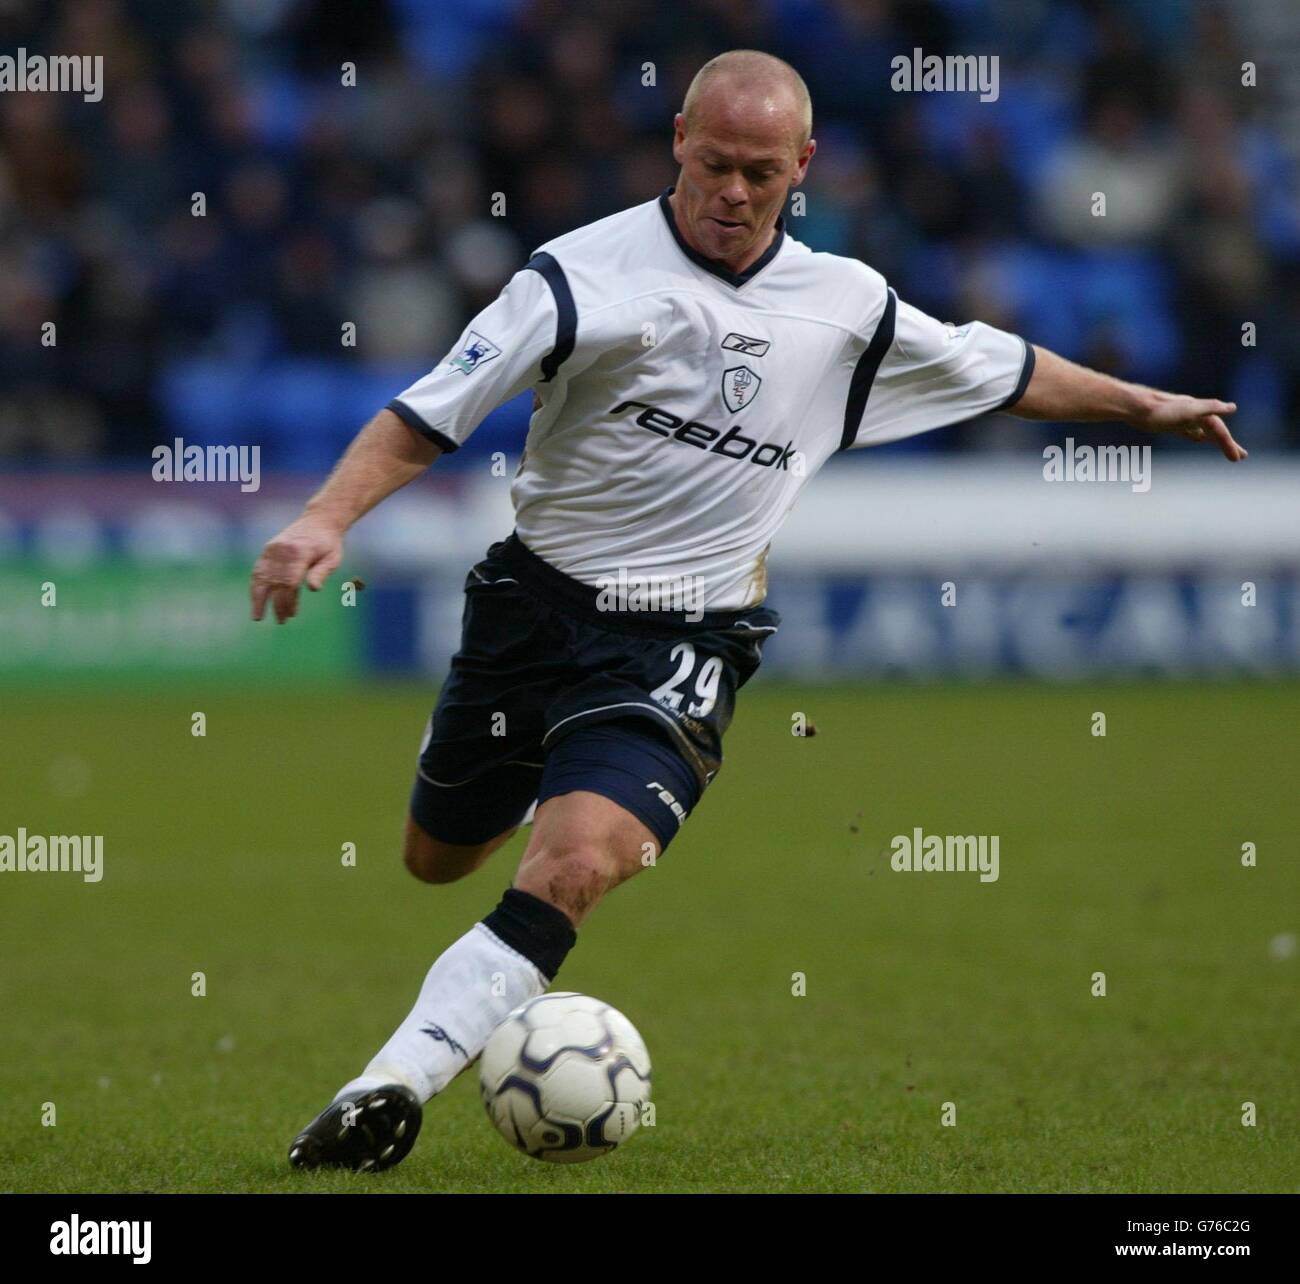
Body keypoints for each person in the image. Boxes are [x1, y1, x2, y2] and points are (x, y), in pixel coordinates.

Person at [250, 50, 1246, 1171]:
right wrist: (324, 521)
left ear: (803, 166)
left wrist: (1140, 402)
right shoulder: (576, 278)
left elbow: (998, 364)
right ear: (676, 139)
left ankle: (389, 1085)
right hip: (530, 613)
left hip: (687, 636)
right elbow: (425, 415)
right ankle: (531, 848)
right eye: (715, 163)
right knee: (436, 860)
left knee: (575, 865)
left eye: (761, 174)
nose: (733, 190)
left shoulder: (843, 306)